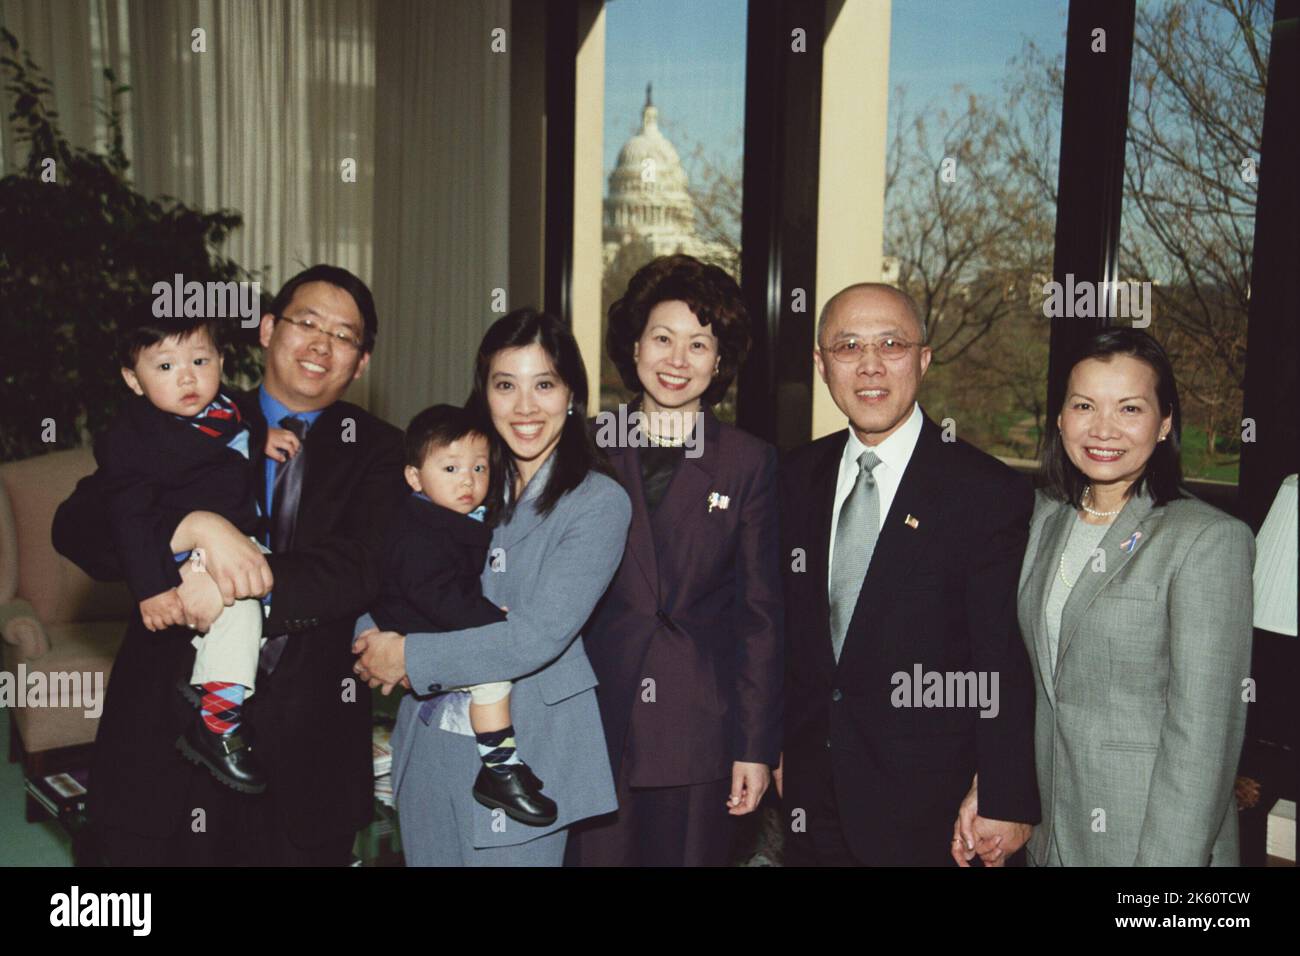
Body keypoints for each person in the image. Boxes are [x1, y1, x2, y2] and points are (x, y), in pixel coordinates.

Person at [52, 264, 406, 865]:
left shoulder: (382, 450)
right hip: (162, 740)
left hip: (306, 759)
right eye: (307, 323)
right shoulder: (184, 402)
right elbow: (78, 526)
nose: (322, 345)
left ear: (362, 362)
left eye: (345, 336)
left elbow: (361, 566)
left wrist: (239, 583)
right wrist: (192, 529)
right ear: (268, 329)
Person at [353, 308, 633, 866]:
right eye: (506, 385)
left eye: (544, 384)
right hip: (428, 742)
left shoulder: (598, 503)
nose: (525, 407)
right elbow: (385, 565)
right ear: (484, 393)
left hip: (523, 755)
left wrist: (408, 652)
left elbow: (534, 637)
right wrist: (370, 637)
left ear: (572, 392)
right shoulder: (460, 477)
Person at [778, 282, 1040, 867]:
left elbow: (1003, 657)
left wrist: (1003, 792)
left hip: (936, 815)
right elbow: (784, 635)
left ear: (923, 359)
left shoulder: (987, 493)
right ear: (821, 366)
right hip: (812, 800)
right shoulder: (793, 477)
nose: (870, 365)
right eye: (847, 346)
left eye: (891, 344)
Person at [1001, 327, 1252, 867]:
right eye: (1084, 405)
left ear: (1164, 424)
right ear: (1061, 418)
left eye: (1130, 408)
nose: (1103, 428)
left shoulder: (1206, 541)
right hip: (1052, 837)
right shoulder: (1041, 519)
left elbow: (1204, 743)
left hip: (1150, 844)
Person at [564, 254, 783, 867]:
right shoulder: (585, 445)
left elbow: (761, 615)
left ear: (720, 363)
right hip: (593, 717)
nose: (677, 360)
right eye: (662, 338)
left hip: (697, 731)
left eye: (699, 344)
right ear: (634, 347)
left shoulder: (748, 461)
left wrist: (755, 747)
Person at [99, 312, 273, 794]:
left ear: (221, 360)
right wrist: (153, 589)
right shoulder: (133, 437)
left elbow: (245, 421)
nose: (188, 377)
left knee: (264, 600)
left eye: (200, 360)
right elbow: (128, 519)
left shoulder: (230, 408)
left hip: (239, 542)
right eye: (165, 367)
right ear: (134, 381)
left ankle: (207, 680)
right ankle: (217, 726)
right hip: (176, 553)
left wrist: (266, 438)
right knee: (239, 608)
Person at [372, 403, 556, 826]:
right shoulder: (417, 528)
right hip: (414, 625)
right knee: (491, 676)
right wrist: (492, 620)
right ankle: (499, 769)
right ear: (414, 477)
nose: (468, 481)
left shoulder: (453, 518)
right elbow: (437, 594)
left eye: (479, 468)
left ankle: (499, 762)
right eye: (451, 469)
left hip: (428, 621)